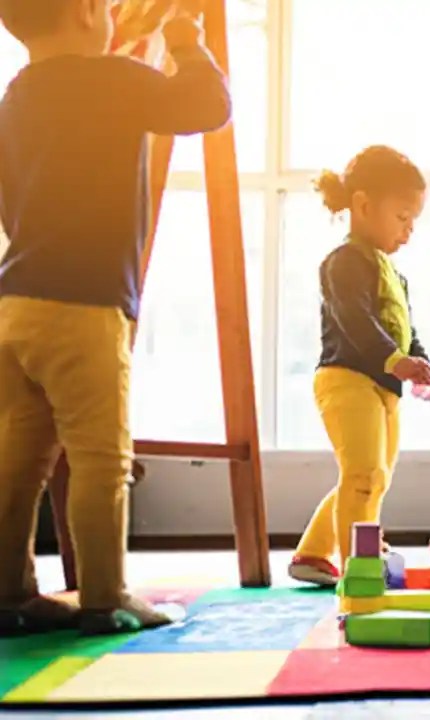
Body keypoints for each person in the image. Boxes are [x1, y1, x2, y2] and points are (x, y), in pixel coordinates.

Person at [0, 0, 230, 635]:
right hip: (86, 304)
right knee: (101, 458)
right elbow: (206, 107)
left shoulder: (15, 97)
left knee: (17, 461)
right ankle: (105, 596)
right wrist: (186, 41)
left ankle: (10, 594)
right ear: (82, 14)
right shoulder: (114, 81)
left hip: (14, 302)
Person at [288, 145, 430, 586]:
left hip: (385, 385)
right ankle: (360, 566)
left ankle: (315, 553)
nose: (408, 230)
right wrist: (395, 359)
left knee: (375, 475)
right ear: (365, 205)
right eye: (402, 217)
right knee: (364, 474)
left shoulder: (394, 273)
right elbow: (356, 320)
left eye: (414, 221)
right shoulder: (342, 263)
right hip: (347, 378)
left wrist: (419, 360)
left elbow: (404, 328)